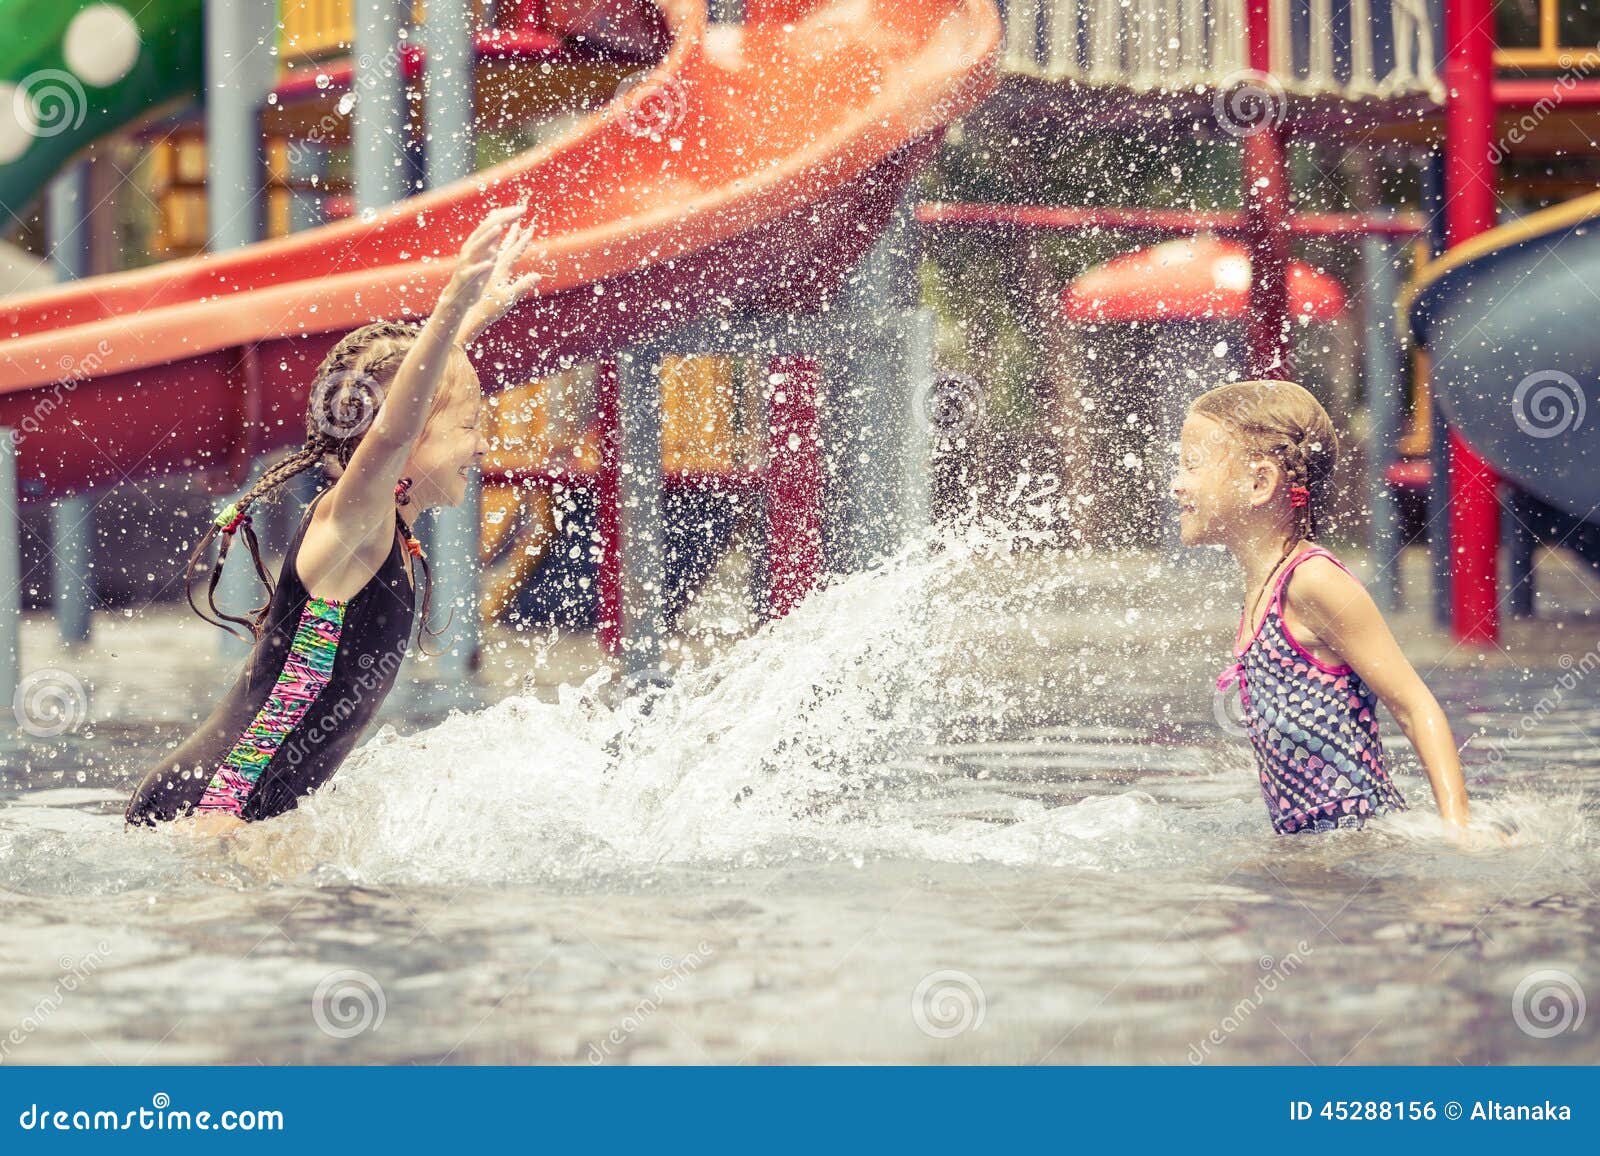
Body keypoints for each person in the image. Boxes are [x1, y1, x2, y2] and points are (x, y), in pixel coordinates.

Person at [126, 205, 541, 832]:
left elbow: (410, 407)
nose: (482, 446)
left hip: (242, 815)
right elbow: (397, 422)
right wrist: (452, 304)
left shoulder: (385, 529)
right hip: (209, 811)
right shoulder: (352, 524)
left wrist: (473, 320)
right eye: (468, 425)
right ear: (405, 441)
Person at [1171, 379, 1471, 836]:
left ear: (1259, 483)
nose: (1177, 484)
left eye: (1191, 466)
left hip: (1361, 843)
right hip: (1317, 849)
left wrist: (1458, 832)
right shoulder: (1264, 585)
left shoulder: (1313, 581)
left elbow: (1415, 707)